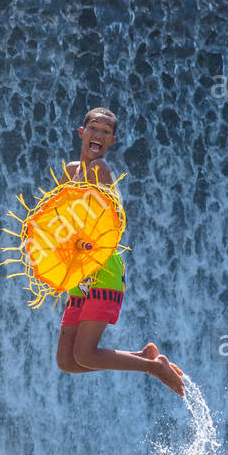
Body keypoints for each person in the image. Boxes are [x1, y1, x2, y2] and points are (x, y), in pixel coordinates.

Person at [54, 107, 184, 396]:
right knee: (67, 361)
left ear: (112, 141)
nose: (98, 135)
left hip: (103, 268)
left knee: (85, 355)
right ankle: (144, 357)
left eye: (105, 132)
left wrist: (87, 240)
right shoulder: (68, 172)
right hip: (79, 272)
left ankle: (154, 368)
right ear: (81, 133)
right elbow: (57, 220)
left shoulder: (100, 169)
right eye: (93, 129)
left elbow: (111, 219)